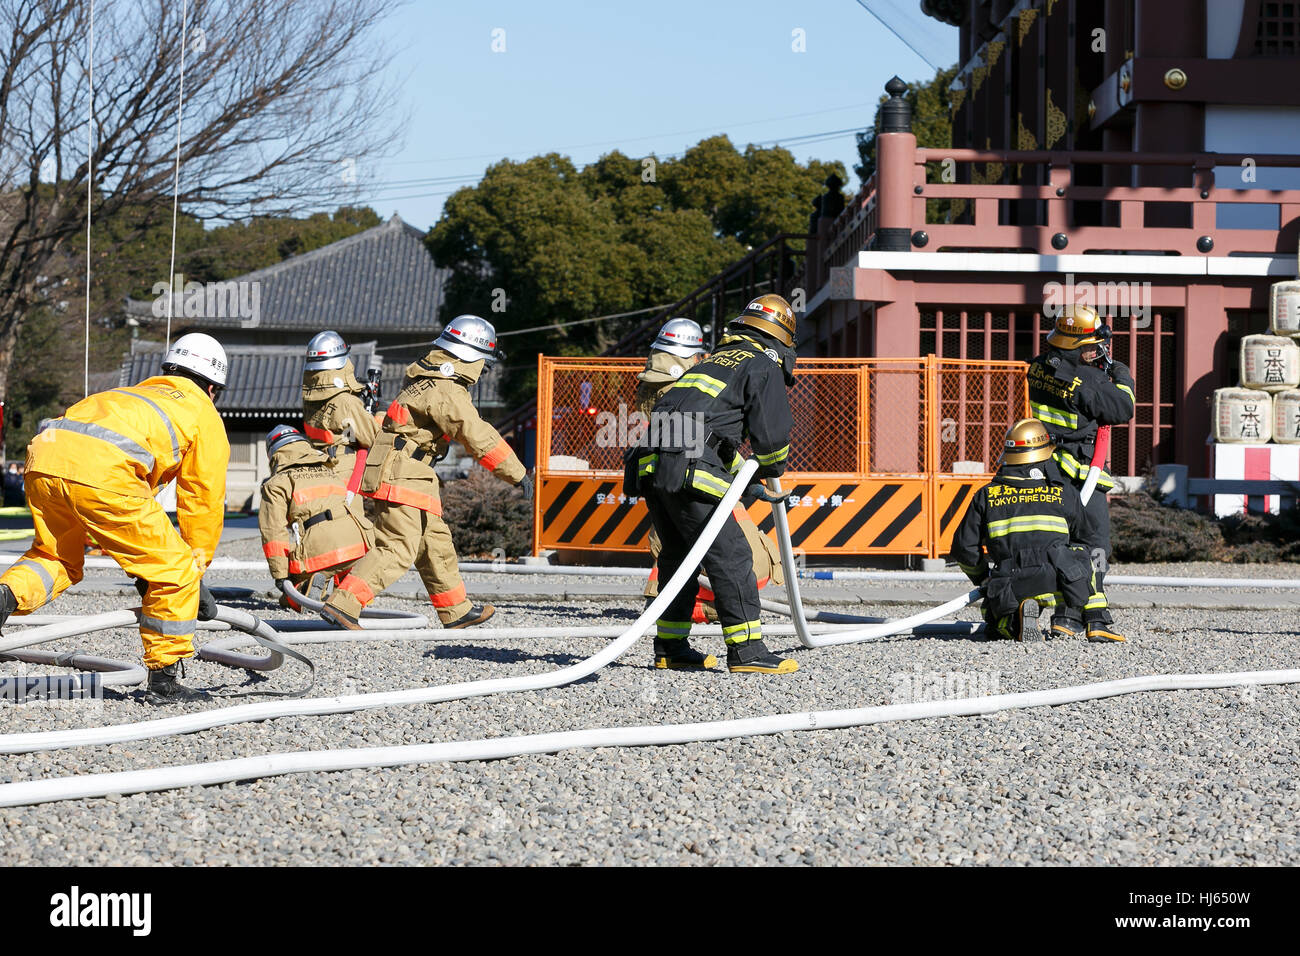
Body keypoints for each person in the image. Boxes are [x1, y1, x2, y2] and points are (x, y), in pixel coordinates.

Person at [0, 333, 229, 702]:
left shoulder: (126, 396)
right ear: (213, 388)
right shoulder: (202, 412)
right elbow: (202, 498)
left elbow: (134, 510)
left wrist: (143, 566)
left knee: (54, 557)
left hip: (43, 461)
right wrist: (196, 568)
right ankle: (165, 682)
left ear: (167, 369)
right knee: (176, 570)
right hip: (103, 475)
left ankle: (4, 596)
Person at [319, 315, 532, 630]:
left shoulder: (426, 380)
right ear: (469, 355)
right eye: (483, 364)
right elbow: (475, 433)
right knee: (397, 547)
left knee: (434, 542)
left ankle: (456, 610)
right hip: (404, 474)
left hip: (408, 472)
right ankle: (343, 604)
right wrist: (517, 473)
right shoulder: (447, 390)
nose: (483, 371)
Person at [628, 294, 799, 674]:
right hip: (689, 470)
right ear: (781, 339)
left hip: (653, 465)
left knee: (679, 559)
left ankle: (670, 648)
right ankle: (747, 651)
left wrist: (744, 479)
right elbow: (771, 437)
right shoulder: (762, 364)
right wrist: (770, 468)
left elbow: (705, 431)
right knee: (732, 555)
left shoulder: (713, 363)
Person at [635, 318, 785, 619]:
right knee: (740, 559)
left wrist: (747, 478)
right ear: (695, 354)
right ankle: (741, 644)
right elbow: (704, 440)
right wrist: (761, 471)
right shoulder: (690, 383)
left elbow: (709, 440)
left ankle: (670, 634)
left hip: (678, 477)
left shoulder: (662, 386)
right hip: (698, 479)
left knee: (676, 555)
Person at [1027, 303, 1135, 643]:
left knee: (1059, 543)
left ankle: (1065, 617)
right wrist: (1118, 371)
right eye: (1092, 345)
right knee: (1094, 544)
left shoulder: (1037, 368)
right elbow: (1123, 407)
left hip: (1043, 468)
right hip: (1079, 473)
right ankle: (1095, 617)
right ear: (1075, 346)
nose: (1099, 350)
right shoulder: (1088, 380)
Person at [950, 419, 1099, 642]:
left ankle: (1012, 621)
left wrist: (983, 578)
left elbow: (963, 549)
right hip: (1059, 582)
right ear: (1044, 454)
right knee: (1079, 558)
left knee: (992, 616)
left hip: (1012, 579)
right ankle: (1066, 618)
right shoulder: (1064, 492)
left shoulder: (986, 495)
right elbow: (1088, 540)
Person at [258, 423, 374, 604]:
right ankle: (352, 596)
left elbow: (273, 532)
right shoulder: (328, 468)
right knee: (346, 582)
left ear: (273, 453)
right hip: (358, 544)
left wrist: (281, 576)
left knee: (289, 599)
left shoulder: (277, 483)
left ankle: (304, 590)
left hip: (321, 553)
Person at [301, 330, 379, 492]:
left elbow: (340, 428)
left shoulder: (309, 400)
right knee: (348, 516)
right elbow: (371, 437)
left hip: (316, 465)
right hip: (343, 470)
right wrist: (380, 413)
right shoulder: (346, 402)